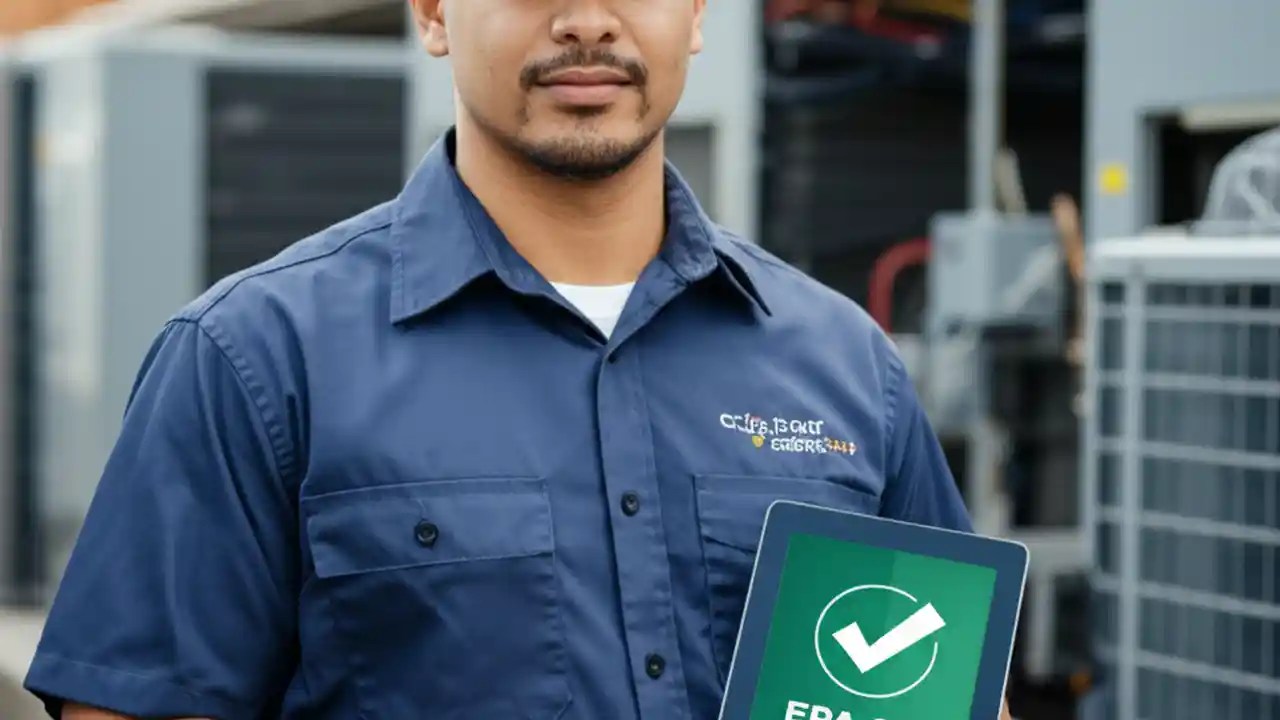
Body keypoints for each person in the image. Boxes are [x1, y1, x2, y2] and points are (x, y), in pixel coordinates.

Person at [24, 1, 1013, 718]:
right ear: (432, 14)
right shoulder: (254, 358)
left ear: (698, 16)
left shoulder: (841, 364)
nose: (586, 20)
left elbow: (937, 695)